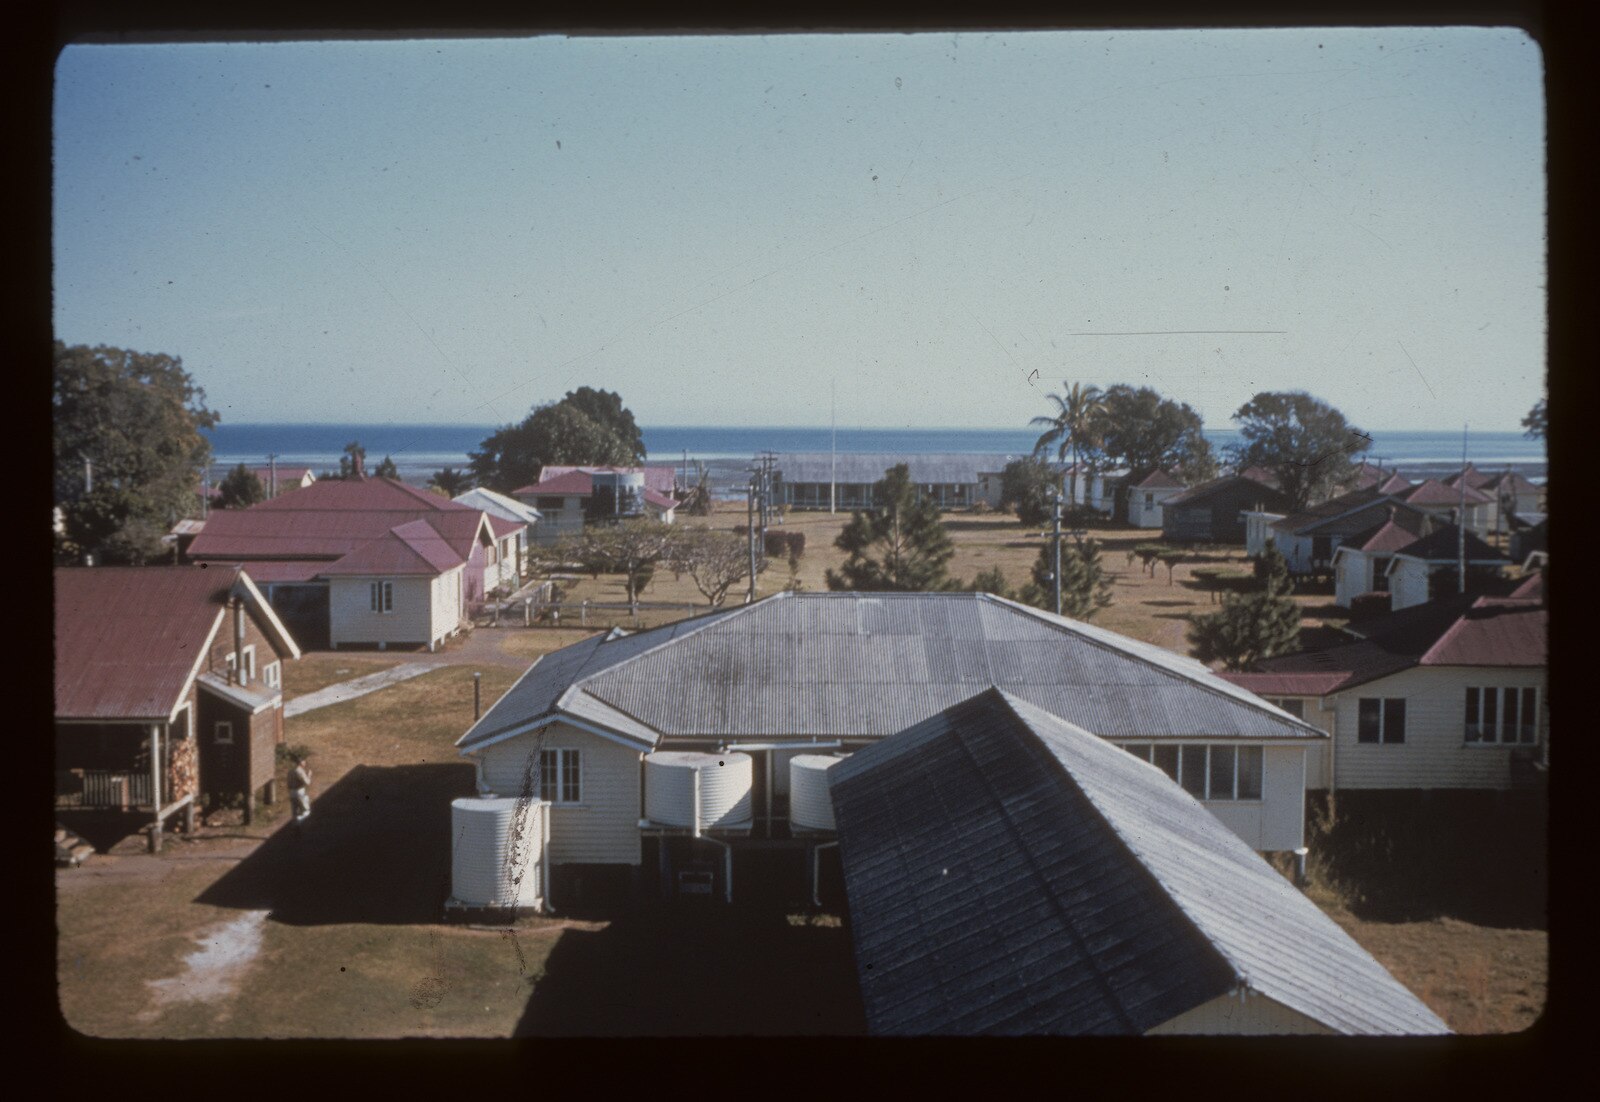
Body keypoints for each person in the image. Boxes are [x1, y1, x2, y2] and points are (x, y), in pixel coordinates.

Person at [288, 754, 313, 823]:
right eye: (303, 761)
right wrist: (309, 775)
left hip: (291, 793)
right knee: (306, 811)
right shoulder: (300, 771)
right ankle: (300, 822)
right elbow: (307, 782)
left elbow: (288, 784)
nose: (305, 763)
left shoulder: (290, 771)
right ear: (300, 762)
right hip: (299, 792)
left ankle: (296, 827)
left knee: (294, 813)